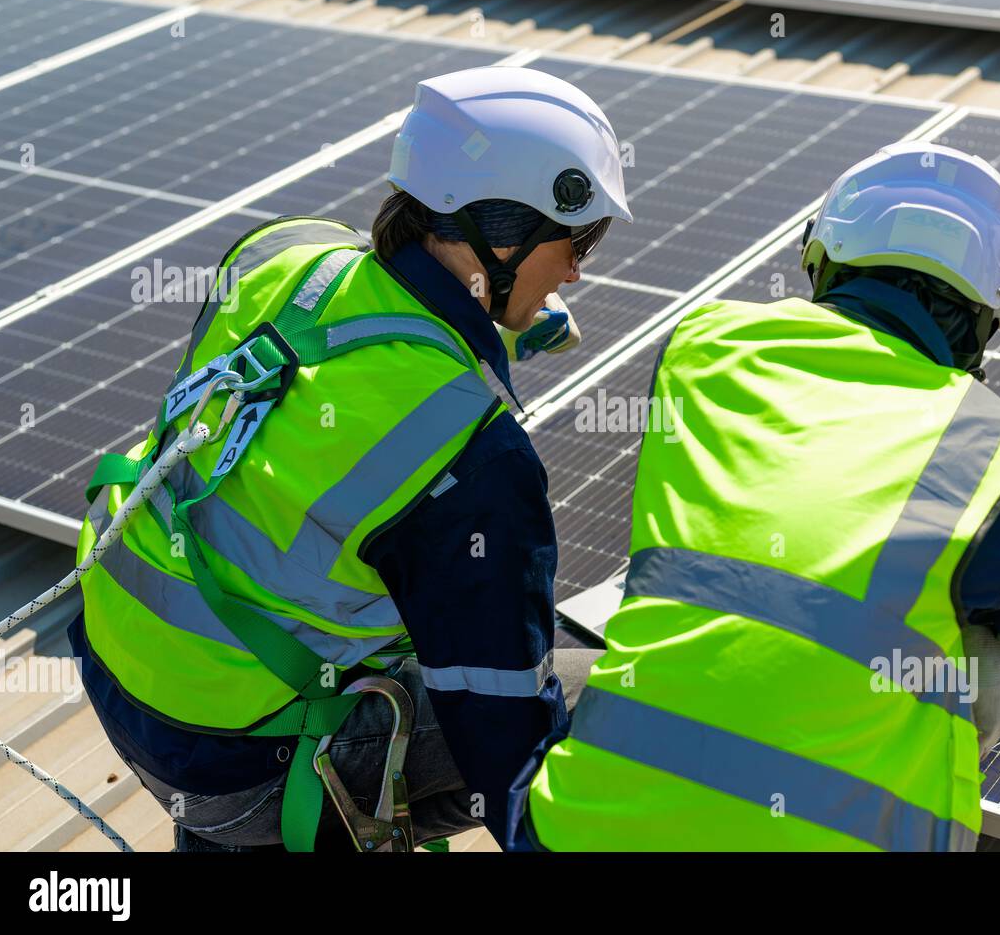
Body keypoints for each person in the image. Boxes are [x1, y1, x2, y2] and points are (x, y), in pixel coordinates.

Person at [67, 65, 630, 851]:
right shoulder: (475, 459)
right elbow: (500, 720)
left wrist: (483, 323)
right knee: (613, 704)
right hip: (234, 760)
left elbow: (341, 361)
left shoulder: (283, 252)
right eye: (578, 241)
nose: (578, 271)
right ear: (500, 235)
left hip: (115, 658)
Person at [507, 142, 1000, 851]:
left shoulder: (702, 346)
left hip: (585, 828)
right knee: (983, 648)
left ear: (822, 258)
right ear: (992, 308)